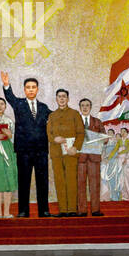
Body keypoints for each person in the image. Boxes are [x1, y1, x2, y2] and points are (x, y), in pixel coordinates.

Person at [0, 71, 52, 217]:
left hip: (41, 150)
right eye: (28, 87)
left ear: (37, 89)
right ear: (24, 89)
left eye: (33, 87)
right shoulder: (19, 104)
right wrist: (6, 85)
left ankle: (44, 210)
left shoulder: (44, 107)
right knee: (23, 181)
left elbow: (55, 118)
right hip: (23, 151)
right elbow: (9, 97)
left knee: (43, 181)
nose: (30, 89)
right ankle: (23, 211)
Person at [46, 88, 85, 217]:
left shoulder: (75, 114)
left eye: (64, 96)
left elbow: (81, 133)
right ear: (56, 99)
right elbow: (48, 133)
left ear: (68, 99)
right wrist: (54, 139)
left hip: (71, 152)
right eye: (59, 96)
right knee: (59, 180)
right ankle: (63, 210)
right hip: (56, 152)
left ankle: (72, 210)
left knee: (71, 180)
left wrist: (76, 147)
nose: (62, 99)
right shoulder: (52, 116)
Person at [75, 97, 108, 216]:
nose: (85, 107)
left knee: (95, 185)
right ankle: (82, 210)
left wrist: (94, 138)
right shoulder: (75, 121)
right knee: (80, 185)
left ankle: (95, 210)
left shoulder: (97, 122)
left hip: (94, 158)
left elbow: (105, 139)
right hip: (80, 159)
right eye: (82, 105)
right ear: (79, 108)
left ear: (90, 107)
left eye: (87, 105)